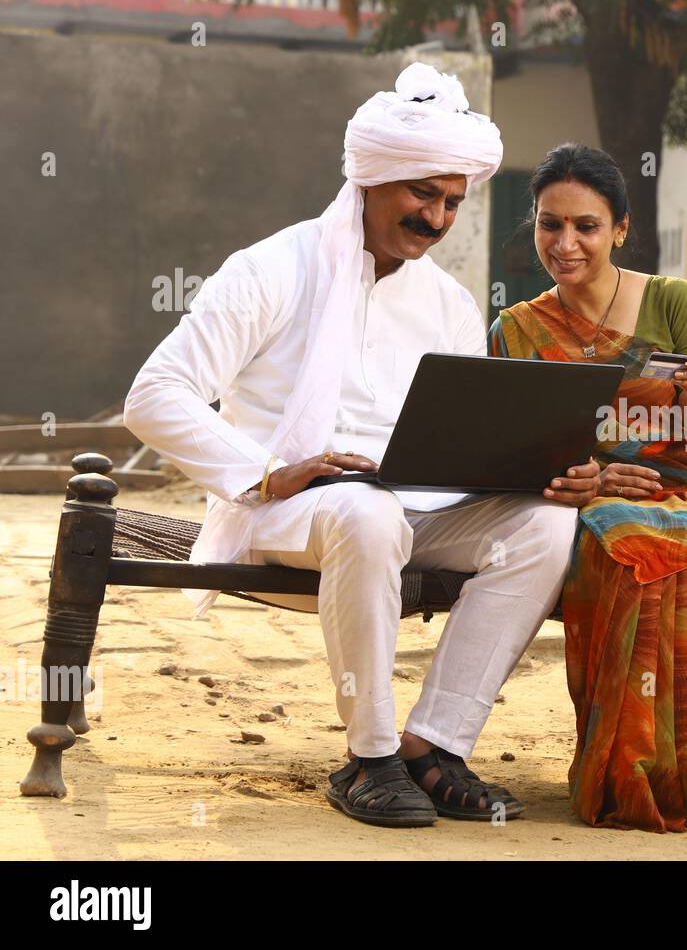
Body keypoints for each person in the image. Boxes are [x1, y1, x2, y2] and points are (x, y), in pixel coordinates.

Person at [124, 64, 601, 829]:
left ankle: (432, 747)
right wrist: (272, 473)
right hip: (283, 514)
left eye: (452, 202)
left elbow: (461, 438)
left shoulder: (446, 300)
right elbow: (154, 395)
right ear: (373, 179)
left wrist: (537, 471)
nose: (438, 218)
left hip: (414, 510)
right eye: (424, 194)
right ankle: (370, 757)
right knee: (365, 514)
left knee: (543, 525)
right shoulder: (271, 270)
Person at [489, 143, 687, 832]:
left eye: (585, 227)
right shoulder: (516, 330)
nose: (565, 244)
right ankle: (628, 769)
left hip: (684, 491)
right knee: (624, 549)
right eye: (549, 224)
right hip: (580, 509)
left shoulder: (672, 301)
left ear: (620, 229)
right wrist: (588, 480)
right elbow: (505, 461)